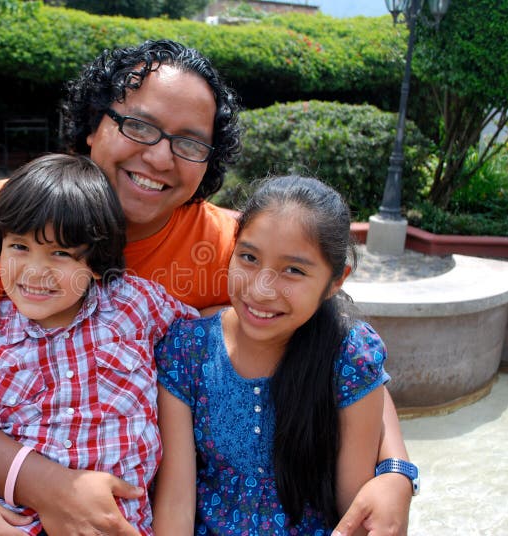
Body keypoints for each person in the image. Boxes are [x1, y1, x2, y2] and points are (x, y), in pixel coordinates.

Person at [0, 39, 414, 535]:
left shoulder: (240, 250)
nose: (161, 158)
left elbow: (338, 335)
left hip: (144, 501)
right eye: (139, 126)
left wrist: (395, 468)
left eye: (189, 141)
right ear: (94, 125)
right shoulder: (10, 219)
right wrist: (46, 487)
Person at [0, 153, 195, 536]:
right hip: (21, 524)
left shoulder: (134, 304)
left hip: (120, 526)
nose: (36, 271)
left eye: (60, 253)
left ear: (98, 263)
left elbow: (206, 331)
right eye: (19, 247)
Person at [152, 176, 391, 535]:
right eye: (249, 258)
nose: (261, 289)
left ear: (336, 280)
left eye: (293, 270)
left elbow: (352, 509)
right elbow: (175, 504)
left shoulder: (349, 357)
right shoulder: (187, 350)